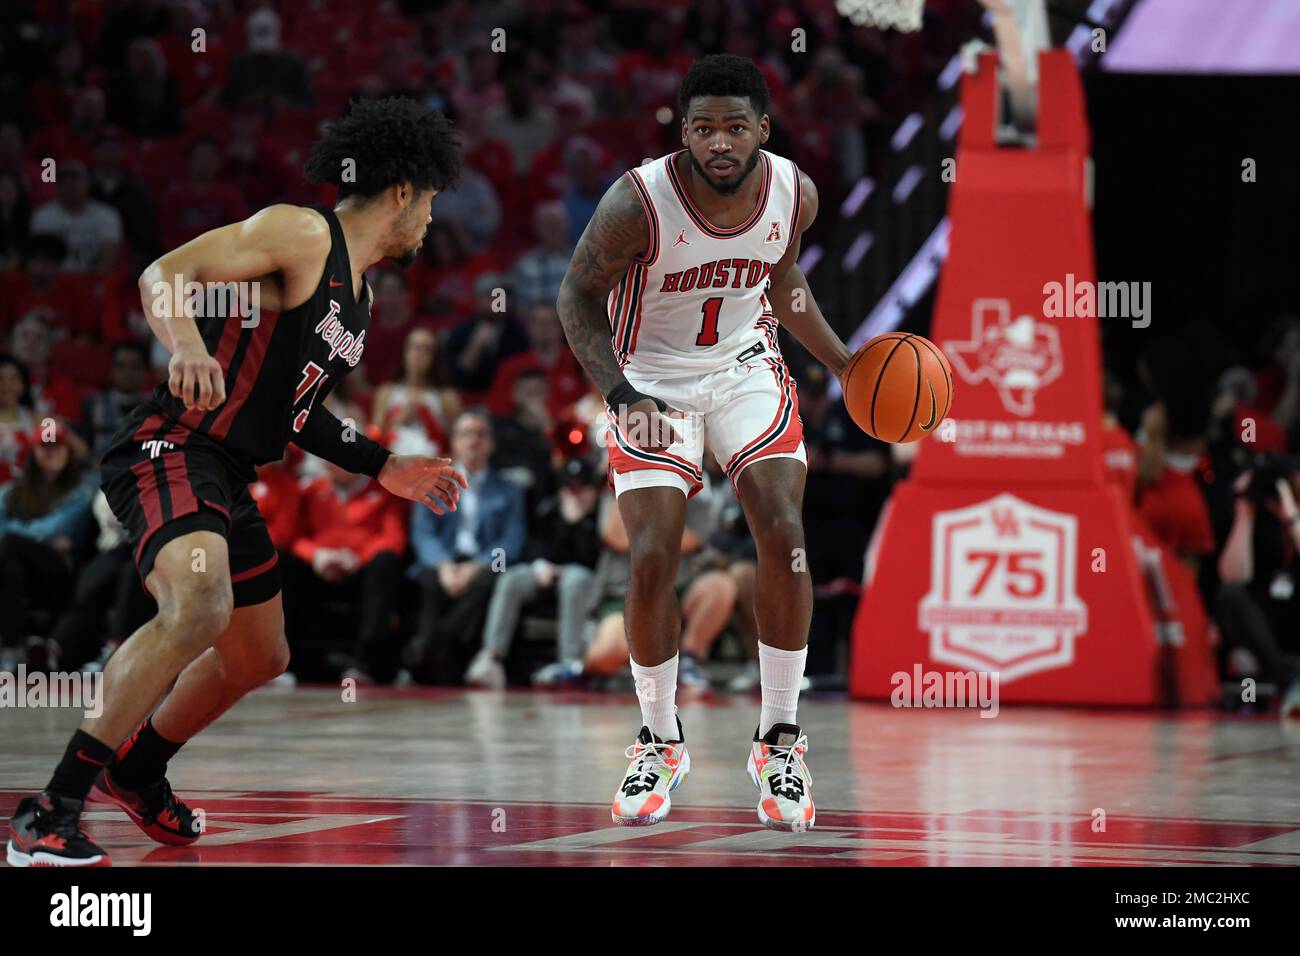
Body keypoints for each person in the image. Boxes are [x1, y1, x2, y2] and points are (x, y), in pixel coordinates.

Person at [6, 96, 467, 867]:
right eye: (431, 201)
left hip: (227, 471)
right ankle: (48, 812)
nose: (431, 220)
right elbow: (166, 273)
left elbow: (299, 414)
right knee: (199, 606)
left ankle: (140, 767)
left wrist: (383, 463)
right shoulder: (301, 232)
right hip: (172, 444)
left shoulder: (362, 299)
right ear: (404, 191)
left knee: (262, 655)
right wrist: (185, 346)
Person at [556, 55, 854, 830]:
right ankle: (659, 740)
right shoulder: (638, 201)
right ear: (683, 132)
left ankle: (780, 741)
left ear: (762, 127)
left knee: (785, 534)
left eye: (733, 126)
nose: (719, 142)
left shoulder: (796, 192)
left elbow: (782, 283)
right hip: (650, 374)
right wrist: (622, 397)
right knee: (652, 552)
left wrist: (846, 366)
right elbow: (575, 295)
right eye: (702, 128)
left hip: (744, 365)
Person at [405, 409, 525, 685]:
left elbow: (512, 540)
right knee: (429, 582)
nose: (473, 441)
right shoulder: (432, 482)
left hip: (484, 562)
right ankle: (439, 654)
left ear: (491, 444)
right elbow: (423, 535)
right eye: (466, 434)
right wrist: (444, 565)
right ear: (454, 443)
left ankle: (429, 647)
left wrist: (477, 566)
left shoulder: (509, 489)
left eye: (481, 435)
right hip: (442, 561)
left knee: (489, 580)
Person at [466, 454, 603, 689]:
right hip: (545, 574)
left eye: (580, 487)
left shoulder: (599, 516)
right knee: (511, 578)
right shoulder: (548, 510)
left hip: (583, 579)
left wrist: (577, 521)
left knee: (574, 580)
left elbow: (592, 558)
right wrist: (540, 565)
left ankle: (568, 661)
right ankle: (492, 655)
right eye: (569, 487)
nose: (574, 493)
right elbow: (532, 547)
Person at [0, 421, 97, 667]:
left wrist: (18, 534)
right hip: (18, 572)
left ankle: (10, 647)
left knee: (10, 544)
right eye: (45, 447)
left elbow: (57, 527)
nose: (51, 453)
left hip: (59, 576)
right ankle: (11, 648)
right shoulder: (13, 491)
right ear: (33, 452)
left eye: (58, 447)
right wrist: (40, 539)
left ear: (68, 451)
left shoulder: (81, 490)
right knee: (12, 566)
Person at [1217, 463, 1300, 719]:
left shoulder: (1293, 517)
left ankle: (1290, 676)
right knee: (1231, 595)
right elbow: (1232, 575)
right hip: (1264, 628)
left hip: (1295, 620)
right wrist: (1245, 514)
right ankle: (1291, 680)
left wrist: (1291, 514)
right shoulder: (1256, 520)